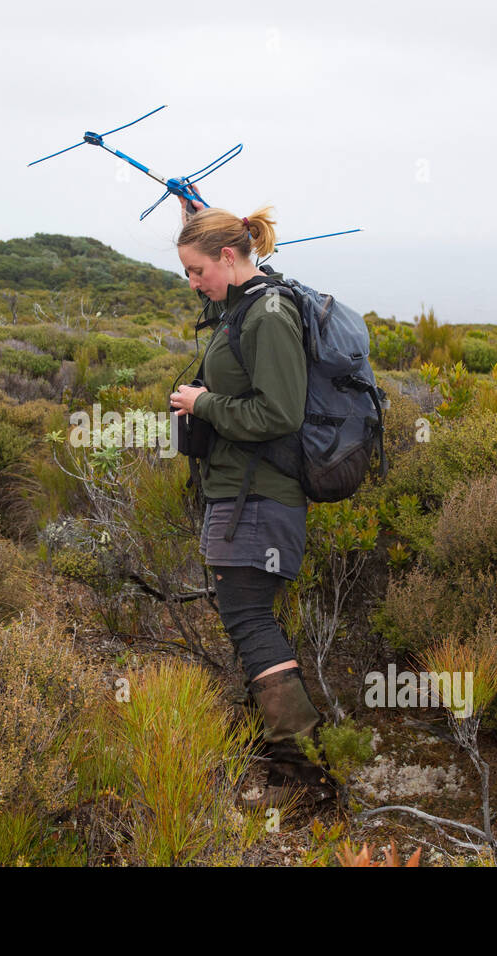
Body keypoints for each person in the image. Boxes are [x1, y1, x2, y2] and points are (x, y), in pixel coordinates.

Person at [169, 189, 340, 807]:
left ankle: (302, 775)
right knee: (247, 617)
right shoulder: (244, 306)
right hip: (239, 495)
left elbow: (280, 411)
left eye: (198, 269)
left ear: (228, 255)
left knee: (248, 617)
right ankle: (290, 759)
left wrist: (201, 403)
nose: (193, 283)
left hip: (261, 498)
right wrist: (189, 214)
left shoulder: (268, 313)